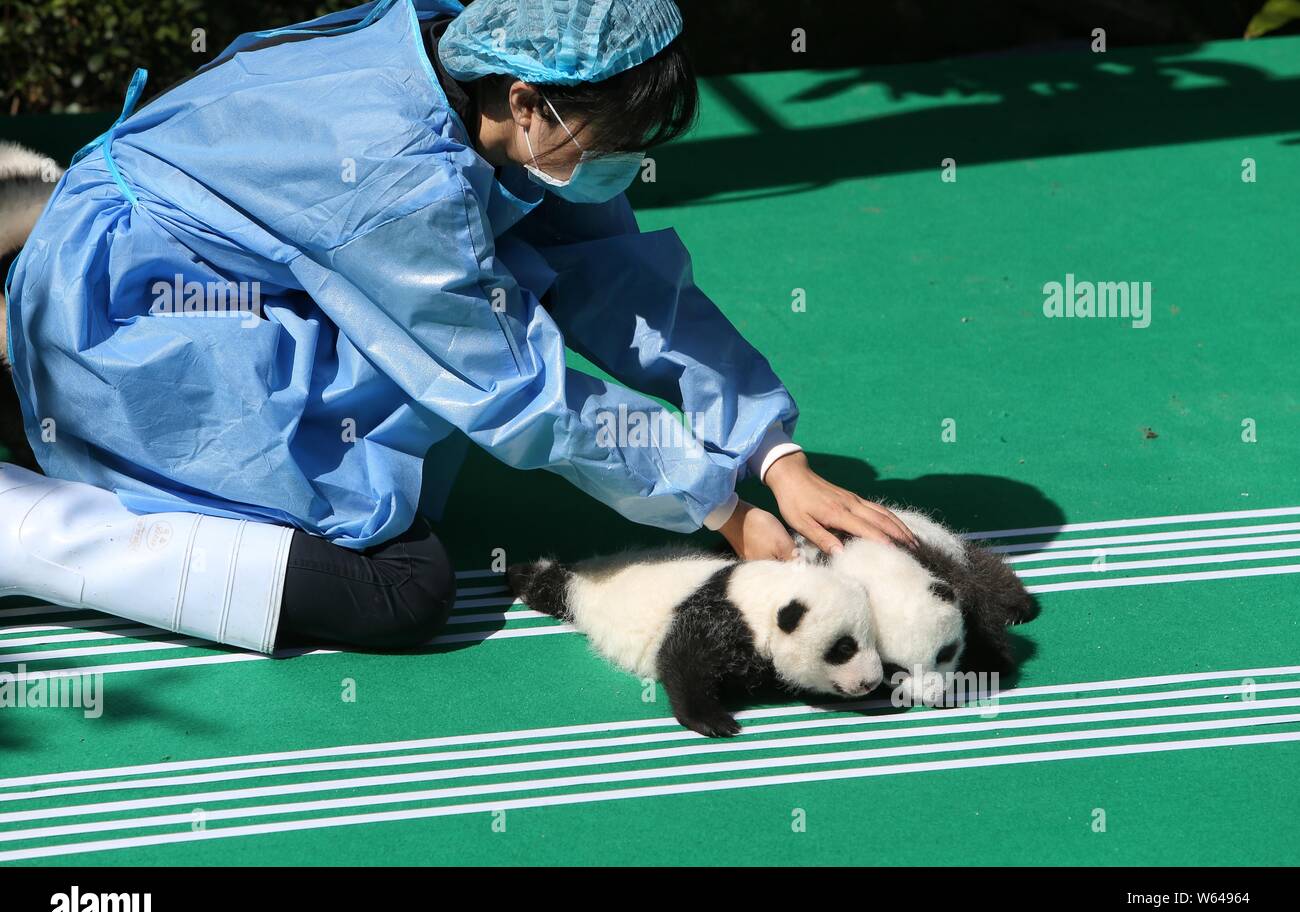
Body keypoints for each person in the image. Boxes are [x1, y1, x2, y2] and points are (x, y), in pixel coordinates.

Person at [1, 0, 915, 653]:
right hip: (128, 318)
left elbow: (617, 279)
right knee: (399, 590)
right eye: (617, 145)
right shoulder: (399, 184)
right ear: (527, 104)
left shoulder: (476, 51)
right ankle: (26, 523)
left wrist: (768, 453)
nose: (630, 169)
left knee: (512, 288)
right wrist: (717, 508)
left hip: (211, 269)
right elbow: (517, 387)